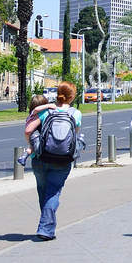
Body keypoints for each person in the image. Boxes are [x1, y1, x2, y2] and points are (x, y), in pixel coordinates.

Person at [24, 82, 82, 240]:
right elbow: (74, 137)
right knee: (53, 193)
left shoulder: (47, 111)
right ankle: (46, 228)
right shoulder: (75, 114)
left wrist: (32, 145)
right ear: (72, 97)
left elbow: (28, 130)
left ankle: (46, 226)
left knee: (44, 193)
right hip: (63, 161)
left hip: (41, 158)